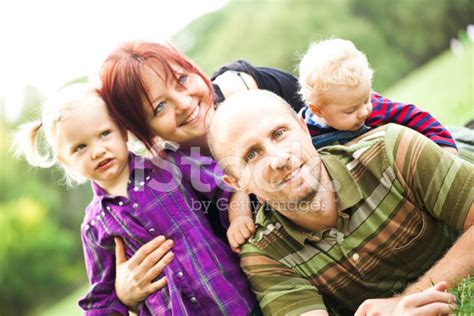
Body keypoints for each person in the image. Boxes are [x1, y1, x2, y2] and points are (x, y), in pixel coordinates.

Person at [207, 90, 473, 315]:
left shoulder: (391, 150)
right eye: (252, 154)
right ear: (236, 182)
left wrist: (404, 302)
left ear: (303, 128)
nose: (278, 159)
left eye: (279, 134)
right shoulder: (264, 254)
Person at [98, 40, 311, 308]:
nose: (184, 103)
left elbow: (355, 119)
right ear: (145, 131)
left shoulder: (253, 87)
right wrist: (126, 296)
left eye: (182, 79)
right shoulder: (171, 185)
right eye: (159, 107)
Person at [12, 83, 258, 315]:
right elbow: (101, 301)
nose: (97, 151)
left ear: (123, 132)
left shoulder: (168, 166)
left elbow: (226, 182)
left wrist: (239, 218)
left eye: (105, 134)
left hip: (235, 303)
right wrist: (123, 297)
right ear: (66, 161)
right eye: (80, 147)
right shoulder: (95, 226)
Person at [298, 38, 458, 155]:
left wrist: (444, 145)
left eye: (366, 100)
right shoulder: (304, 134)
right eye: (350, 110)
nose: (364, 112)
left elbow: (415, 116)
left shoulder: (378, 107)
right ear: (317, 110)